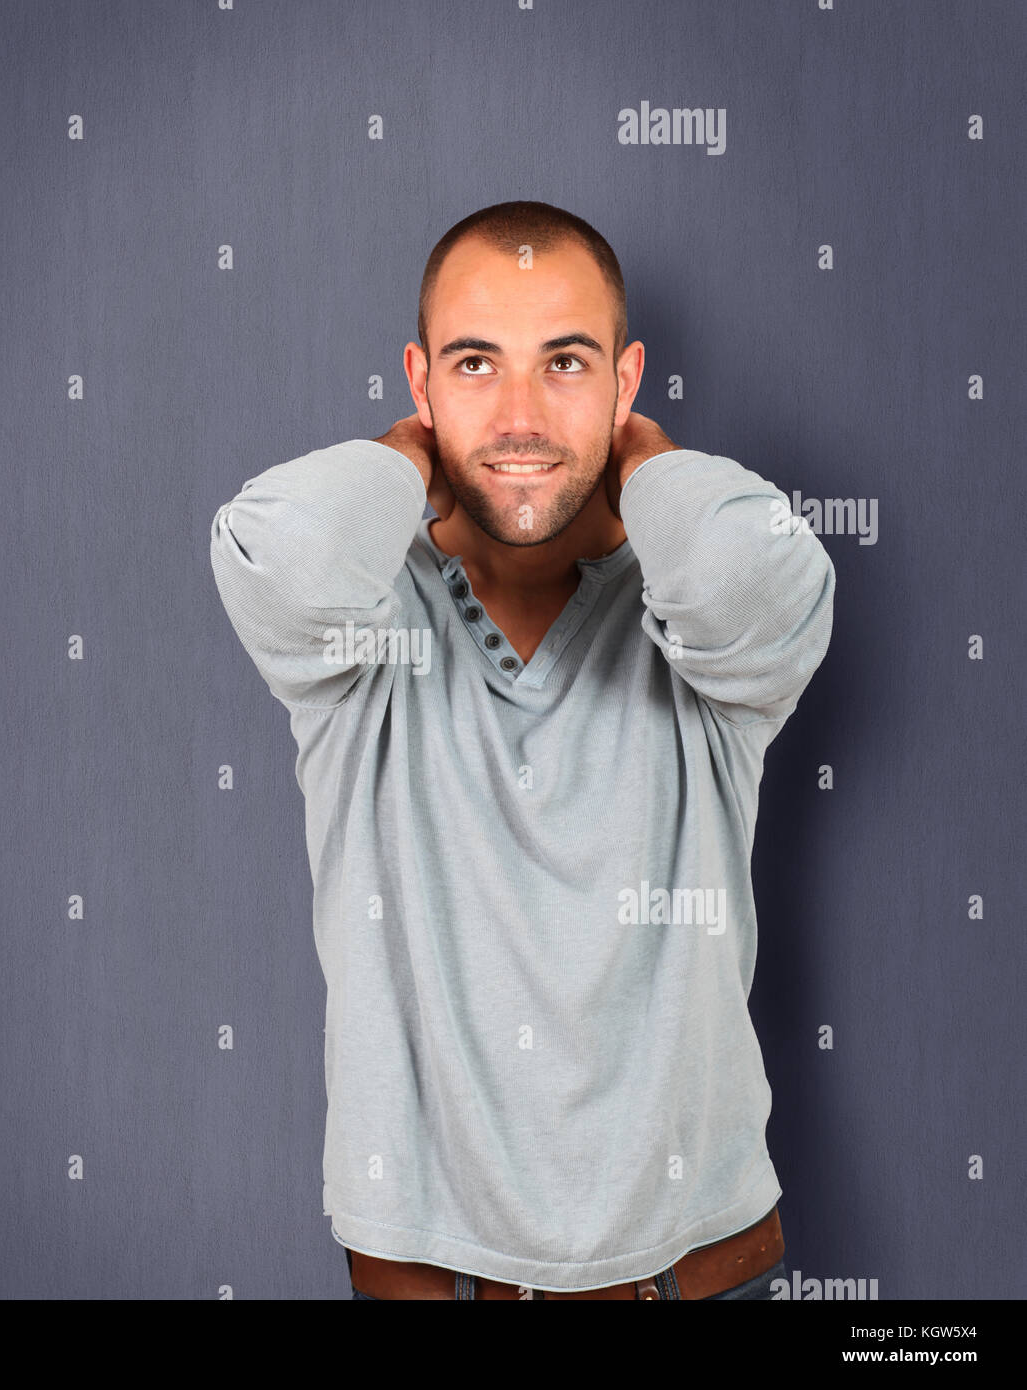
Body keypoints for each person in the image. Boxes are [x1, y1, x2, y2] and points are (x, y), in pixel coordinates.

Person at [209, 200, 834, 1299]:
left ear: (626, 382)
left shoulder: (700, 624)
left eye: (565, 364)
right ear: (418, 382)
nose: (519, 416)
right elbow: (278, 553)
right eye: (474, 365)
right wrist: (410, 458)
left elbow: (757, 576)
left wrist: (643, 462)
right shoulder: (359, 621)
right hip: (429, 1274)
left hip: (683, 1270)